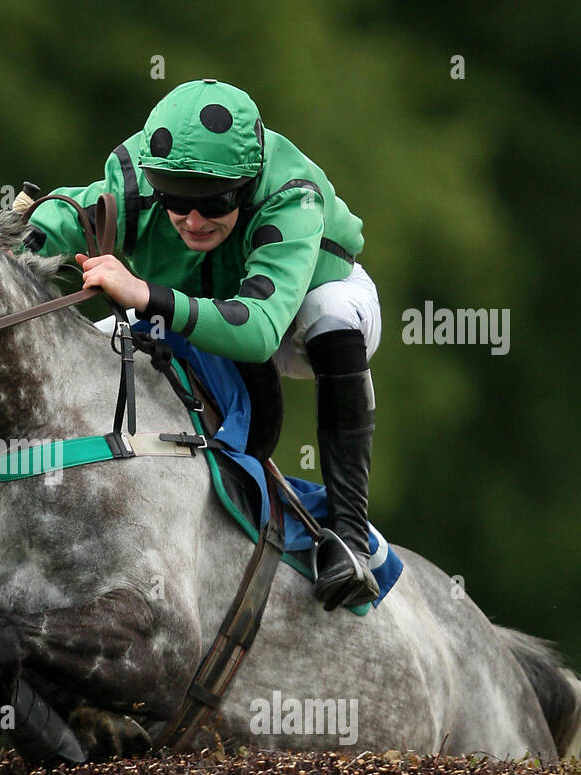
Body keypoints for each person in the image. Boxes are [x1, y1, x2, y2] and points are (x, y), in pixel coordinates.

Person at [21, 78, 382, 610]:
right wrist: (14, 240)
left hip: (291, 325)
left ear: (246, 184)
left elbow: (259, 330)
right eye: (175, 200)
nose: (192, 219)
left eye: (213, 203)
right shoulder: (139, 178)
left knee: (329, 317)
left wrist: (144, 293)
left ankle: (350, 536)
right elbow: (70, 214)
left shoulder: (291, 197)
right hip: (194, 317)